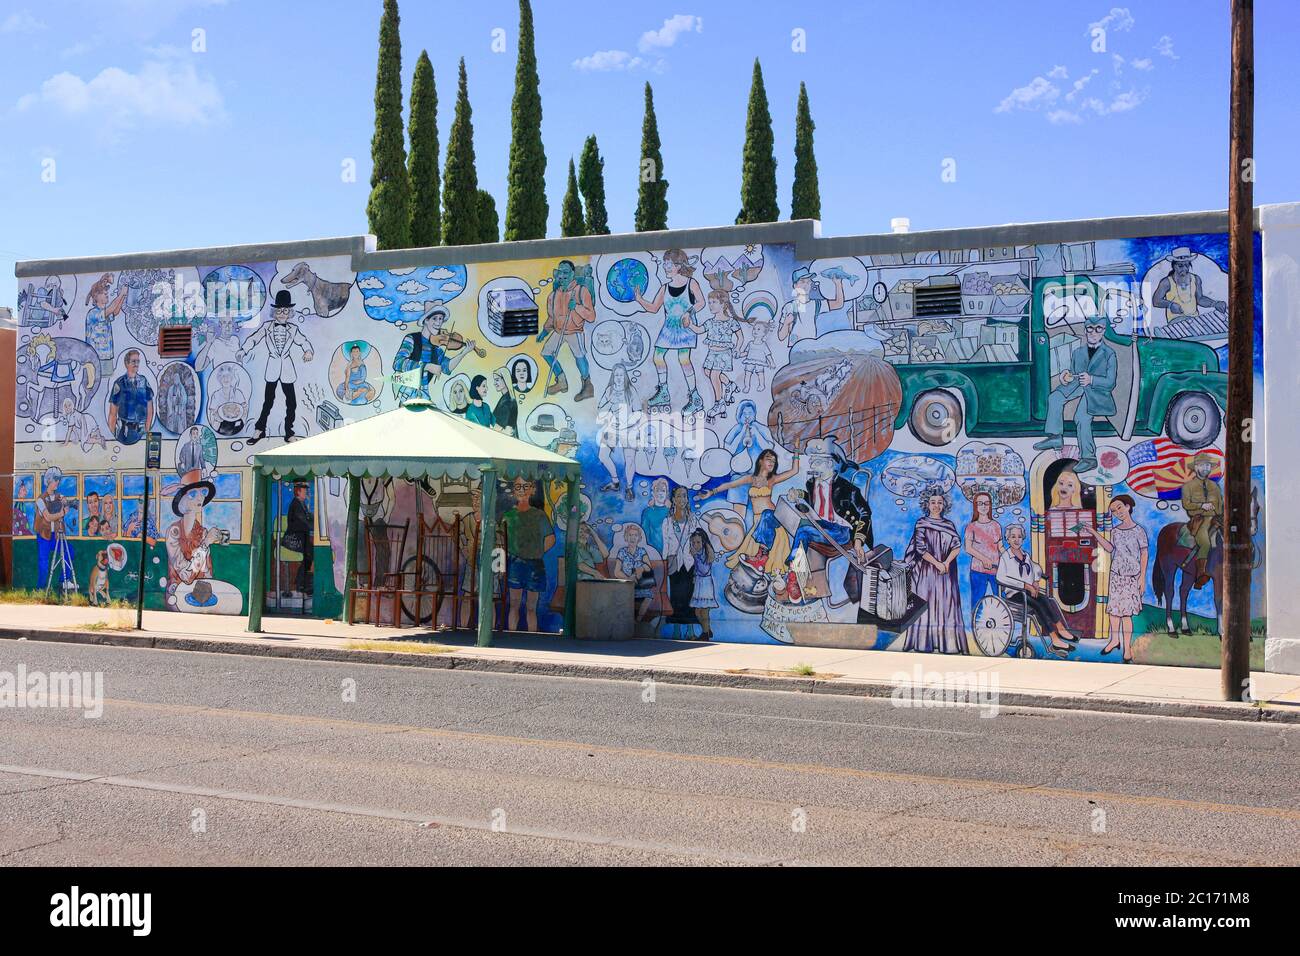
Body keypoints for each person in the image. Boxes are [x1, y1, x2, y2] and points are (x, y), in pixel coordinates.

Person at [783, 437, 872, 604]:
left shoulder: (848, 489)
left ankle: (793, 575)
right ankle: (806, 584)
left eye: (816, 462)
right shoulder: (811, 483)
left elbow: (864, 513)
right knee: (787, 522)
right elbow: (812, 500)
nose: (812, 466)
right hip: (821, 526)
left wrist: (859, 541)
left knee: (803, 531)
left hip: (840, 532)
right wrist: (799, 494)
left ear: (830, 464)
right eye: (812, 462)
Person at [1033, 315, 1117, 473]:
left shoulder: (1109, 354)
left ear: (1103, 331)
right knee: (1055, 397)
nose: (1093, 333)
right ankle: (1055, 437)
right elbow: (1073, 373)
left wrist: (1092, 380)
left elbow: (1110, 382)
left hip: (1097, 391)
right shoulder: (1078, 352)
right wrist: (1066, 376)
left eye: (1098, 329)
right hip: (1078, 385)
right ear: (1085, 331)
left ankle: (1089, 458)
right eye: (1090, 329)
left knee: (1081, 417)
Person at [634, 248, 706, 415]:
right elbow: (653, 308)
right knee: (658, 357)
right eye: (664, 264)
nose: (665, 267)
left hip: (685, 326)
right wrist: (639, 300)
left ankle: (695, 397)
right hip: (669, 327)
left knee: (683, 359)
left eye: (668, 264)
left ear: (678, 266)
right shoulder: (665, 287)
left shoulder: (691, 283)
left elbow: (701, 302)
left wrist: (689, 312)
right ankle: (664, 392)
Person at [239, 290, 314, 444]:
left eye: (285, 311)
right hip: (272, 368)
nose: (282, 314)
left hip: (287, 369)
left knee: (291, 403)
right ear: (274, 312)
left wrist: (308, 351)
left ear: (289, 313)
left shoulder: (293, 329)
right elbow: (254, 338)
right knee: (268, 401)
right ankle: (260, 430)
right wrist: (244, 349)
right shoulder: (267, 327)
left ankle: (289, 432)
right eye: (279, 310)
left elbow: (303, 341)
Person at [996, 523, 1077, 657]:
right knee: (1037, 605)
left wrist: (1035, 580)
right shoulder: (1005, 557)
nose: (1016, 540)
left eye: (1019, 537)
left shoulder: (1025, 556)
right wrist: (1025, 585)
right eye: (1012, 537)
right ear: (1007, 539)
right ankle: (1054, 639)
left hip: (1027, 592)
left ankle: (1061, 629)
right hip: (1014, 594)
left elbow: (1036, 568)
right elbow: (1001, 578)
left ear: (1023, 539)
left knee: (1046, 599)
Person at [902, 487, 966, 654]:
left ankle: (948, 644)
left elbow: (956, 546)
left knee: (946, 605)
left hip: (946, 575)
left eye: (939, 502)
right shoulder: (921, 523)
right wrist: (937, 563)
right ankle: (924, 643)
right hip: (927, 574)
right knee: (926, 605)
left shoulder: (949, 525)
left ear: (944, 504)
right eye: (933, 502)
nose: (936, 505)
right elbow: (920, 549)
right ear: (927, 504)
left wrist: (946, 562)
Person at [715, 449, 801, 574]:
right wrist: (712, 492)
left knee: (772, 562)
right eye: (768, 458)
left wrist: (796, 450)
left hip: (772, 519)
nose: (772, 462)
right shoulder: (751, 479)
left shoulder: (772, 480)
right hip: (758, 522)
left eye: (774, 461)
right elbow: (729, 485)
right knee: (750, 560)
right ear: (760, 461)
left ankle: (762, 560)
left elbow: (794, 471)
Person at [391, 304, 476, 404]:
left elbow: (447, 367)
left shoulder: (436, 348)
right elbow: (398, 362)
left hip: (423, 391)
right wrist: (426, 366)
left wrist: (463, 353)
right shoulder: (412, 339)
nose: (438, 322)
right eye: (435, 318)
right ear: (426, 320)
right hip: (407, 389)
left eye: (441, 319)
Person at [1097, 494, 1146, 662]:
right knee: (1113, 611)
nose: (1117, 512)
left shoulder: (1139, 530)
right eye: (1113, 511)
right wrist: (1094, 534)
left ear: (1128, 506)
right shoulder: (1115, 531)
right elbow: (1111, 549)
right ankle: (1114, 640)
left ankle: (1127, 648)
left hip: (1132, 576)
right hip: (1116, 575)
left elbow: (1144, 553)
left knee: (1126, 614)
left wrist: (1142, 578)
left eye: (1119, 507)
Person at [501, 477, 555, 632]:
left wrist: (536, 551)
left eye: (526, 486)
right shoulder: (508, 516)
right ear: (513, 490)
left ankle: (532, 637)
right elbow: (500, 540)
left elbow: (550, 538)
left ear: (532, 489)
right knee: (514, 604)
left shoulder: (539, 515)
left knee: (531, 607)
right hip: (514, 565)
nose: (522, 490)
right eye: (518, 486)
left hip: (534, 565)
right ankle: (512, 635)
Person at [540, 260, 596, 400]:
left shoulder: (581, 291)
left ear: (572, 274)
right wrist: (545, 331)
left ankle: (587, 385)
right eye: (560, 272)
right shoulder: (553, 296)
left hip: (574, 330)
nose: (562, 276)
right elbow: (551, 318)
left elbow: (591, 316)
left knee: (579, 357)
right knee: (546, 352)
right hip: (559, 331)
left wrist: (576, 307)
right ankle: (562, 381)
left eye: (566, 272)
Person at [660, 485, 704, 638]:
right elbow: (665, 544)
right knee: (677, 596)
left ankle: (691, 630)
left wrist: (698, 556)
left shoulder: (693, 520)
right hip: (674, 563)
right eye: (678, 496)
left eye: (684, 496)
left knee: (691, 596)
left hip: (690, 562)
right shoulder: (667, 522)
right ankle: (677, 630)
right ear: (673, 499)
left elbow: (699, 541)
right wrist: (665, 564)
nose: (682, 499)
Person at [596, 362, 643, 500]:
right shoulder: (609, 390)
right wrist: (609, 408)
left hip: (629, 428)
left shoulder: (630, 391)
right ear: (613, 376)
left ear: (625, 376)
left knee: (630, 459)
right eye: (616, 374)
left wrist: (627, 423)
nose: (618, 377)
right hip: (612, 427)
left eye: (621, 375)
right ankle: (615, 482)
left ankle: (629, 487)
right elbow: (600, 408)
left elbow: (638, 412)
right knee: (603, 456)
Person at [694, 289, 744, 417]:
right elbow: (699, 330)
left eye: (714, 302)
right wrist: (689, 325)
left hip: (724, 353)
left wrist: (737, 348)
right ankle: (729, 385)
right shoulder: (710, 322)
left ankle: (719, 403)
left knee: (714, 375)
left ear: (723, 304)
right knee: (707, 372)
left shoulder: (731, 322)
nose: (711, 305)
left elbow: (740, 337)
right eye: (709, 302)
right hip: (712, 353)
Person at [721, 401, 775, 515]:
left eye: (750, 413)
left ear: (754, 414)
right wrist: (741, 433)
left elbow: (770, 448)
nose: (747, 416)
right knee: (738, 514)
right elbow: (727, 450)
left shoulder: (761, 428)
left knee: (758, 512)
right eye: (744, 413)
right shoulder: (736, 429)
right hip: (738, 476)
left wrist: (756, 434)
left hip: (758, 477)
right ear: (739, 415)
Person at [1152, 247, 1227, 329]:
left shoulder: (1196, 279)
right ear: (1174, 266)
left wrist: (1215, 303)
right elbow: (1156, 301)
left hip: (1195, 320)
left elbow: (1200, 299)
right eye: (1180, 266)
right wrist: (1170, 305)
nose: (1184, 269)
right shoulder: (1166, 282)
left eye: (1186, 265)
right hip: (1176, 323)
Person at [1179, 451, 1222, 588]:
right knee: (1205, 542)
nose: (1206, 468)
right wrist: (1201, 505)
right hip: (1200, 519)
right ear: (1196, 467)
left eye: (1208, 466)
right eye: (1203, 465)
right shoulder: (1188, 487)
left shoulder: (1214, 486)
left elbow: (1220, 504)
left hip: (1216, 518)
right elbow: (1186, 504)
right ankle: (1201, 574)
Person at [778, 266, 845, 344]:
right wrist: (786, 323)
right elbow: (781, 336)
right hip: (794, 348)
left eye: (808, 281)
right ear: (795, 285)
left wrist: (838, 284)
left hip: (810, 346)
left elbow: (839, 304)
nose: (806, 285)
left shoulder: (817, 304)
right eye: (802, 282)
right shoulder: (789, 307)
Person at [106, 349, 155, 445]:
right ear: (126, 363)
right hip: (124, 431)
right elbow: (112, 413)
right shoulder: (119, 383)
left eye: (138, 361)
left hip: (141, 431)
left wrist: (147, 430)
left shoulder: (144, 382)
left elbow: (150, 409)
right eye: (133, 361)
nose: (136, 364)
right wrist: (111, 437)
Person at [83, 273, 127, 377]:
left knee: (106, 381)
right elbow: (111, 309)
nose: (107, 294)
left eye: (107, 292)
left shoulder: (104, 312)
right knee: (96, 382)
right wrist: (120, 294)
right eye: (104, 293)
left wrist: (123, 296)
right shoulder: (93, 313)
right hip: (95, 356)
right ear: (96, 297)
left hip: (107, 355)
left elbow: (115, 312)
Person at [963, 491, 1002, 604]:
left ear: (990, 505)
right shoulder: (971, 527)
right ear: (976, 506)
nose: (984, 506)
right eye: (980, 503)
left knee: (1002, 601)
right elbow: (968, 548)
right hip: (978, 570)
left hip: (996, 570)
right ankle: (975, 622)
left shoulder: (996, 525)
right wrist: (984, 559)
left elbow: (1000, 546)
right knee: (977, 602)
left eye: (986, 503)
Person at [34, 467, 69, 588]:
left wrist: (65, 501)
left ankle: (63, 581)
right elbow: (48, 517)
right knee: (43, 564)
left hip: (56, 536)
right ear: (49, 480)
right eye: (55, 480)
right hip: (44, 536)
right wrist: (62, 513)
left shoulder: (59, 496)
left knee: (70, 552)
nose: (57, 482)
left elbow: (64, 500)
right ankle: (41, 589)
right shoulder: (40, 500)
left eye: (58, 480)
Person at [612, 524, 654, 620]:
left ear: (639, 538)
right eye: (630, 535)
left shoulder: (642, 551)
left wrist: (642, 567)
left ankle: (638, 620)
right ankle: (627, 620)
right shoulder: (622, 552)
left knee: (648, 595)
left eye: (635, 535)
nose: (633, 538)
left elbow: (649, 567)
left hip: (640, 584)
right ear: (626, 537)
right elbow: (616, 572)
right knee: (622, 595)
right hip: (627, 584)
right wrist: (628, 579)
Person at [285, 482, 314, 597]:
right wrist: (313, 525)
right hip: (293, 539)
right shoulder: (296, 504)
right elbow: (303, 521)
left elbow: (307, 518)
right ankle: (302, 584)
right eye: (304, 490)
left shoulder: (301, 503)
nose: (306, 491)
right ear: (298, 491)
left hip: (301, 538)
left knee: (310, 554)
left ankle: (301, 583)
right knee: (310, 554)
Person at [689, 528, 718, 641]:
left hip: (705, 584)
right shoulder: (698, 552)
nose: (695, 545)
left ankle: (705, 634)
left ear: (703, 542)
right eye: (693, 542)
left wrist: (695, 556)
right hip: (699, 583)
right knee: (697, 611)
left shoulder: (706, 552)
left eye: (698, 542)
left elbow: (704, 570)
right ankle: (707, 630)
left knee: (704, 610)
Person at [740, 317, 775, 393]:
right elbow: (746, 353)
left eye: (758, 329)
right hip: (750, 361)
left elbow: (768, 355)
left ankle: (761, 385)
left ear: (764, 333)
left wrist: (771, 362)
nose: (755, 331)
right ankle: (746, 386)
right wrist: (740, 355)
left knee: (760, 373)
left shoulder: (763, 345)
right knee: (747, 374)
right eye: (754, 329)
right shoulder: (750, 343)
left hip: (760, 361)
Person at [641, 477, 672, 554]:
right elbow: (645, 534)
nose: (660, 493)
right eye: (657, 490)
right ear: (653, 493)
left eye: (663, 491)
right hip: (653, 552)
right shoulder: (647, 512)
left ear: (667, 493)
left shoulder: (671, 511)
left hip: (671, 552)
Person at [491, 369, 519, 436]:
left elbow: (498, 428)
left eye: (497, 380)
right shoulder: (506, 398)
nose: (494, 383)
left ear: (505, 380)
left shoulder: (507, 401)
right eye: (494, 380)